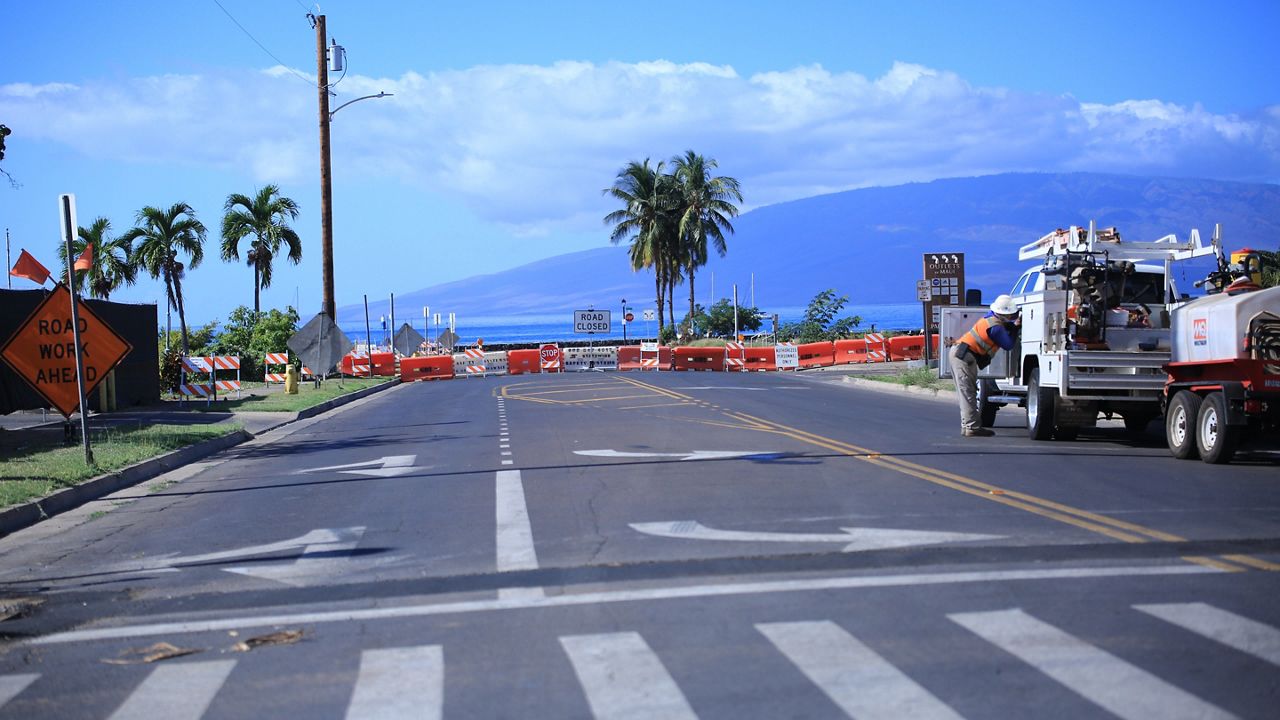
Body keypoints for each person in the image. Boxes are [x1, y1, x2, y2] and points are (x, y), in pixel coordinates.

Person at [950, 294, 1020, 437]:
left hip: (961, 354)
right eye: (1011, 314)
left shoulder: (990, 318)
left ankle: (968, 425)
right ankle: (972, 427)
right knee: (968, 392)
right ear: (1004, 314)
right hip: (965, 356)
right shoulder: (996, 327)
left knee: (966, 391)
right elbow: (1008, 345)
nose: (1013, 316)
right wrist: (1015, 328)